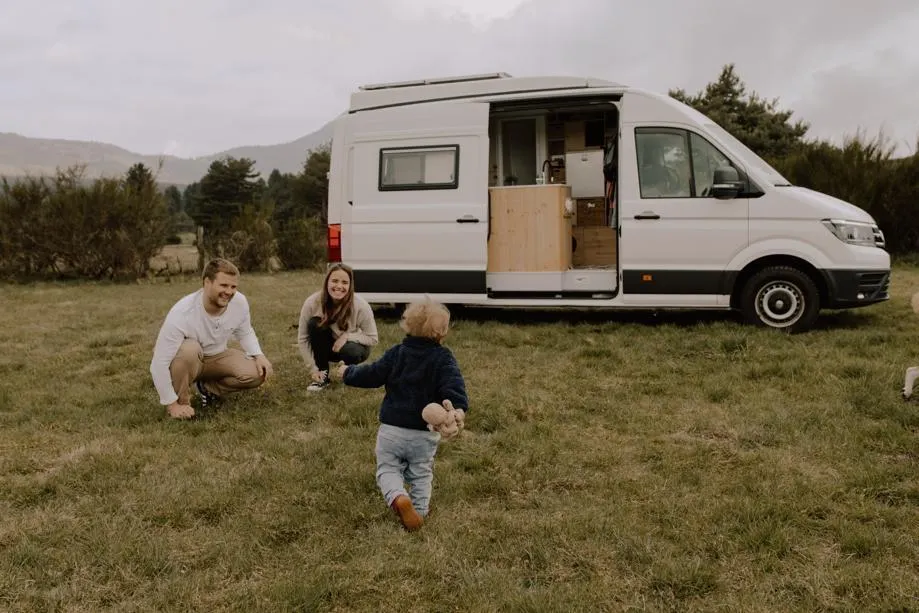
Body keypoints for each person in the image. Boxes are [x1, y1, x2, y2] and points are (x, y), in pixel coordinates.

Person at [337, 298, 469, 531]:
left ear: (407, 325)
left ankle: (398, 496)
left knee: (387, 468)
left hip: (391, 431)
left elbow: (372, 374)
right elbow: (453, 385)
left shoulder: (397, 353)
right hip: (423, 434)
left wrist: (348, 372)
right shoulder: (443, 358)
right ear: (442, 333)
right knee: (420, 473)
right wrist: (457, 408)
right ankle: (419, 511)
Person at [149, 258, 273, 420]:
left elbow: (244, 331)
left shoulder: (239, 302)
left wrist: (259, 355)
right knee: (189, 349)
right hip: (188, 361)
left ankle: (208, 389)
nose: (229, 292)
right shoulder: (182, 313)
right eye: (223, 285)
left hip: (217, 356)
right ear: (207, 282)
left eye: (233, 286)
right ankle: (182, 404)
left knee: (258, 373)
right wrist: (171, 403)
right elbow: (158, 363)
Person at [297, 263, 378, 392]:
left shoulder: (361, 306)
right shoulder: (312, 302)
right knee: (314, 323)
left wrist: (347, 336)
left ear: (350, 285)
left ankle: (349, 372)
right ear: (327, 282)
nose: (339, 286)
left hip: (352, 347)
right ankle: (322, 377)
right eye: (334, 281)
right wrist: (313, 368)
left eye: (345, 282)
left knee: (352, 351)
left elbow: (373, 338)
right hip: (326, 346)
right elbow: (303, 339)